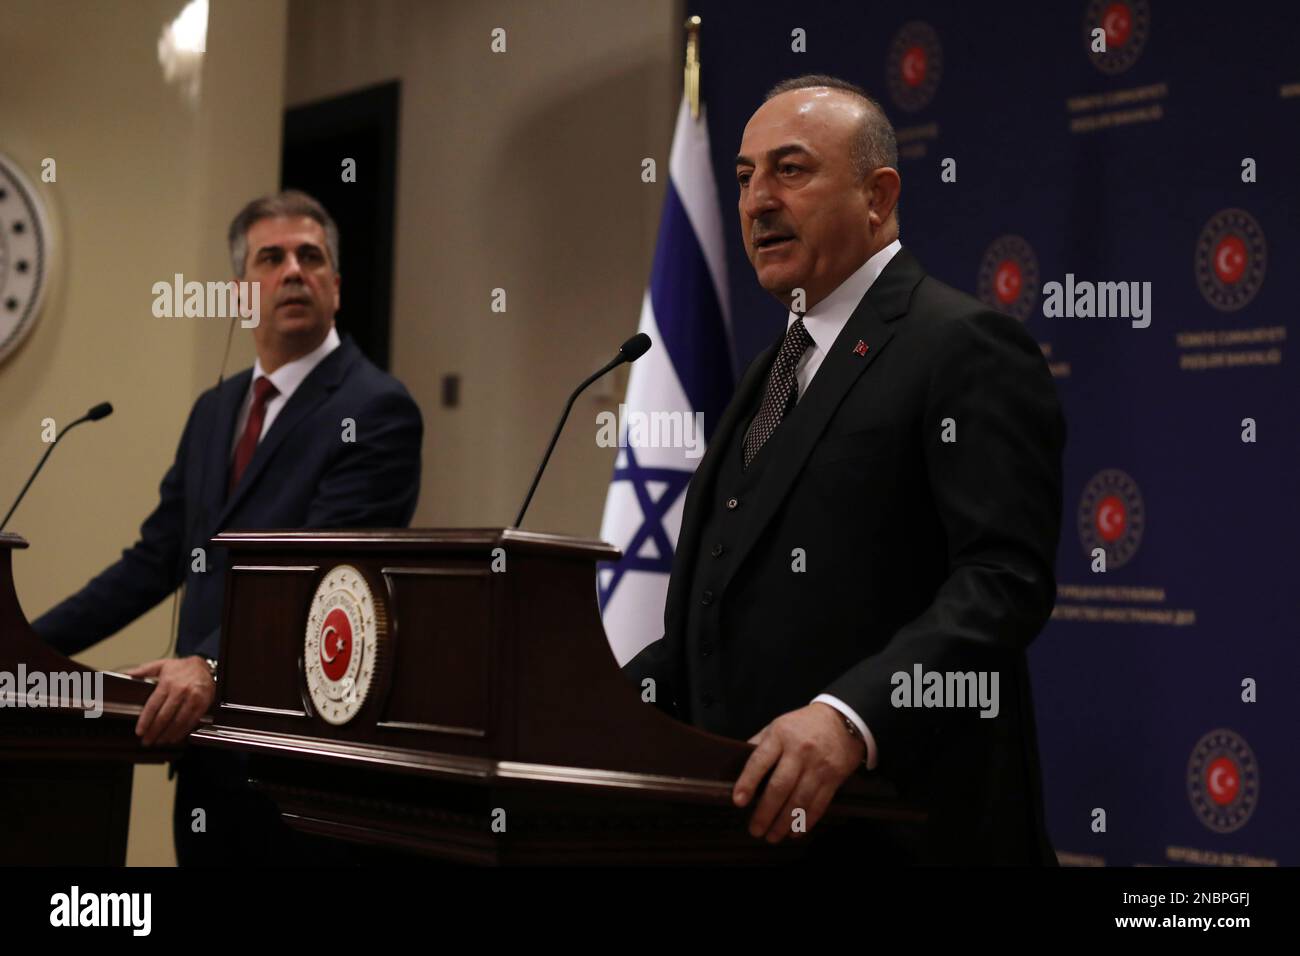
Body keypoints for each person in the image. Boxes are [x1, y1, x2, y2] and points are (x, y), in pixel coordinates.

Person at [623, 75, 1065, 864]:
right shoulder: (769, 371)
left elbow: (1003, 580)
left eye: (789, 170)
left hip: (905, 828)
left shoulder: (963, 346)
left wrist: (848, 716)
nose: (757, 200)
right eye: (744, 176)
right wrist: (588, 705)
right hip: (747, 827)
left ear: (878, 193)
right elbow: (712, 613)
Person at [33, 190, 423, 865]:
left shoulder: (377, 408)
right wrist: (26, 649)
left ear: (337, 285)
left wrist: (213, 662)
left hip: (299, 770)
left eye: (311, 257)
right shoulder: (216, 410)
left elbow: (323, 575)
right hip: (205, 758)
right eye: (270, 258)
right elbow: (155, 561)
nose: (293, 271)